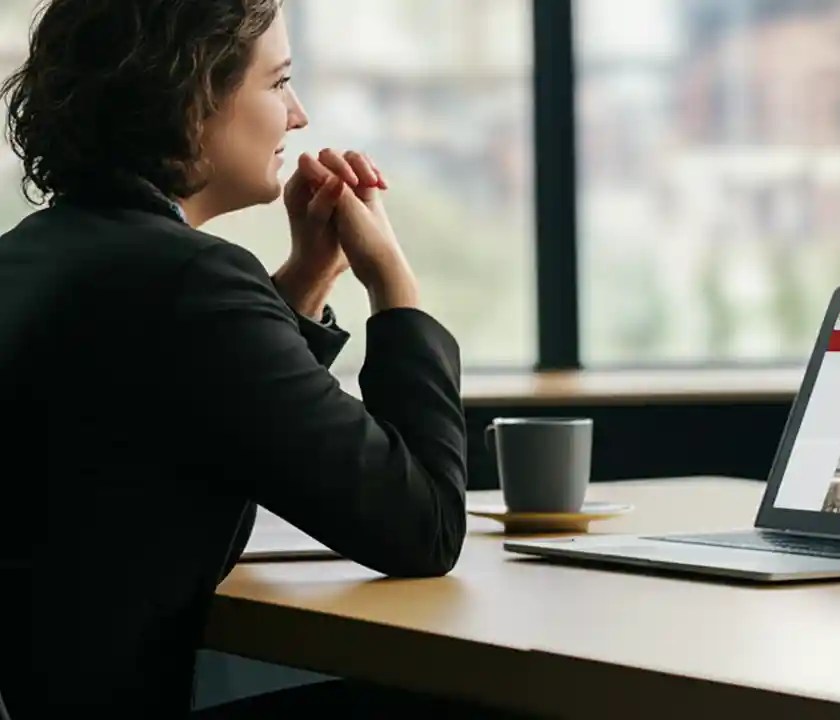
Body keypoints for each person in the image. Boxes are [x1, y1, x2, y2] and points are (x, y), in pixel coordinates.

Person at [0, 0, 500, 716]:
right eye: (278, 82)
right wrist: (393, 283)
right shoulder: (190, 282)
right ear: (195, 92)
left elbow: (191, 402)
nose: (297, 115)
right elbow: (424, 527)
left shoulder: (30, 256)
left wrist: (305, 278)